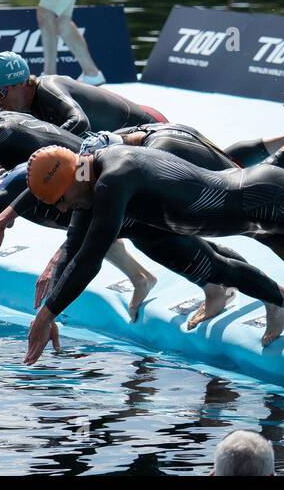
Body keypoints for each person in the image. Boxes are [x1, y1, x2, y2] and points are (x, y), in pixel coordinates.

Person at [21, 144, 284, 362]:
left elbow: (90, 258)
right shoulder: (90, 172)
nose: (65, 209)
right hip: (256, 209)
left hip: (265, 200)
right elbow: (74, 247)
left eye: (61, 200)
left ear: (72, 178)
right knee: (218, 270)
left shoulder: (113, 179)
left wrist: (47, 316)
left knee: (219, 267)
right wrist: (47, 312)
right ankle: (276, 300)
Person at [0, 50, 164, 135]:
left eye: (0, 94)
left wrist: (39, 146)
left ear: (20, 83)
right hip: (126, 134)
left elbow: (79, 122)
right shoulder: (25, 104)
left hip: (151, 128)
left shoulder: (49, 87)